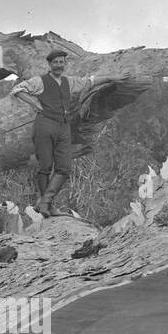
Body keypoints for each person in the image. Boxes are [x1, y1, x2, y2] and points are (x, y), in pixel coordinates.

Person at [10, 49, 107, 217]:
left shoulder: (69, 82)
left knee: (64, 168)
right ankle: (48, 206)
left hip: (63, 127)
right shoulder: (40, 81)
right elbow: (18, 89)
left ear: (65, 64)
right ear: (49, 64)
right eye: (56, 62)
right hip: (45, 125)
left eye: (62, 62)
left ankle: (44, 203)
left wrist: (113, 78)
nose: (59, 65)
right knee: (45, 166)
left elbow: (90, 81)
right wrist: (34, 104)